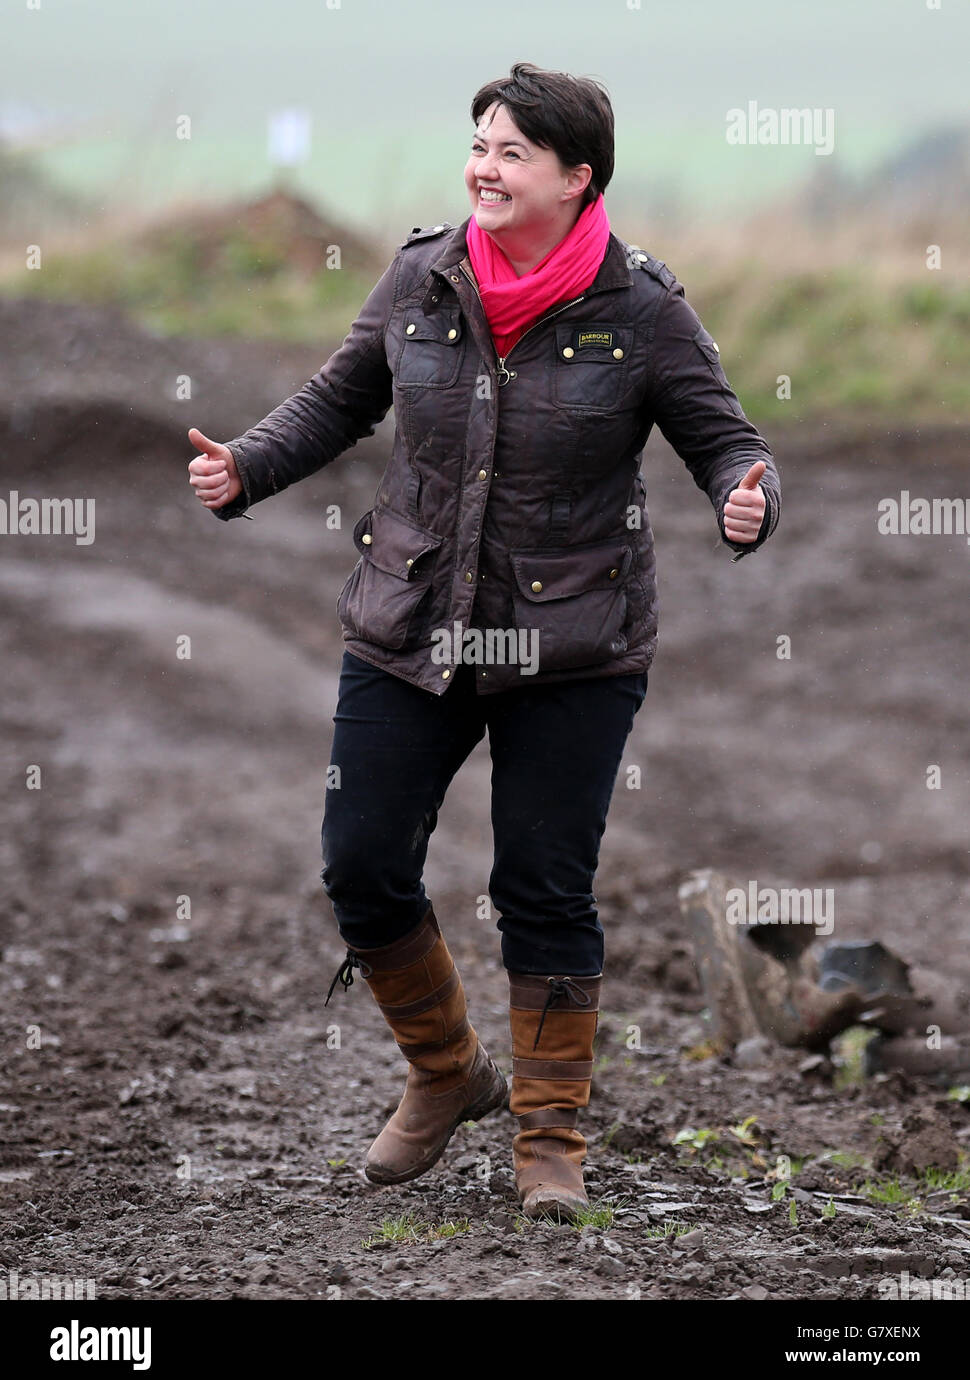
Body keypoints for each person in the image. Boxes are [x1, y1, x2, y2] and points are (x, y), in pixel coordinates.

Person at [187, 61, 781, 1221]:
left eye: (512, 151)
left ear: (576, 176)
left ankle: (548, 1139)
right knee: (360, 859)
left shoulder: (642, 307)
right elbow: (339, 396)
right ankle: (449, 1072)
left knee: (542, 885)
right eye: (478, 143)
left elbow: (723, 437)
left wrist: (745, 491)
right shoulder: (425, 273)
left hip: (576, 642)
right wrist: (248, 465)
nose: (484, 167)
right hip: (410, 620)